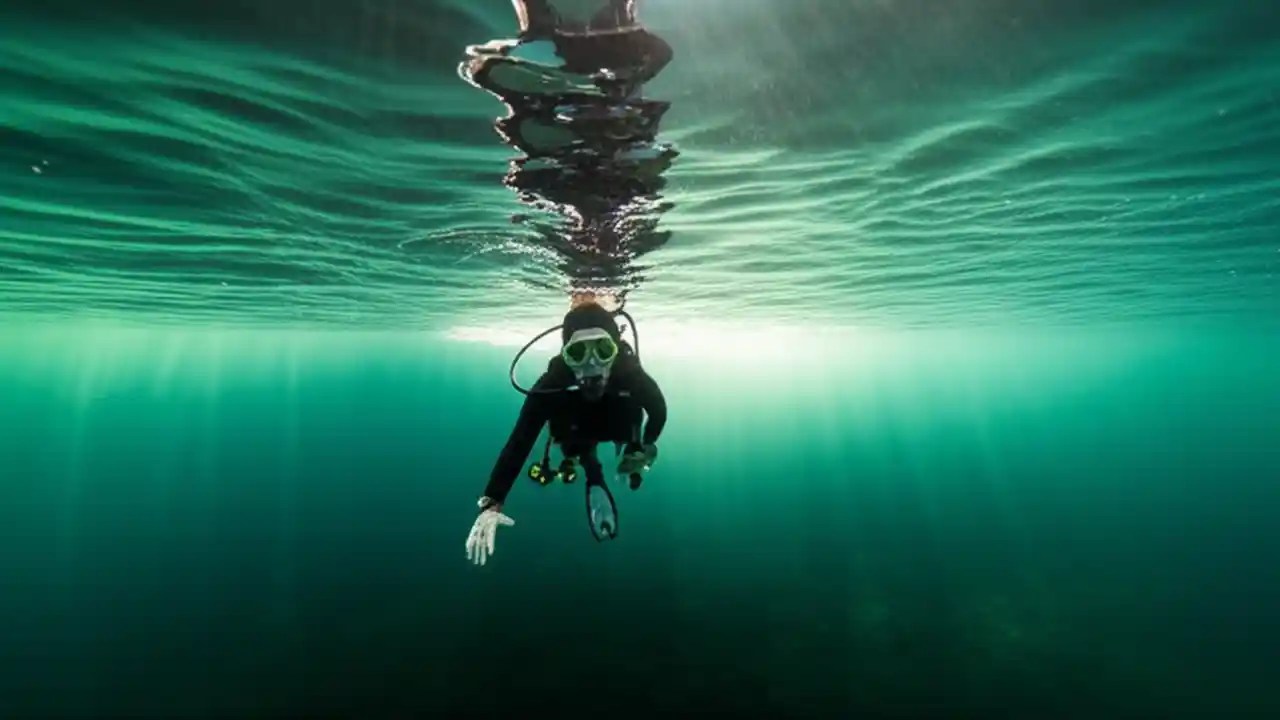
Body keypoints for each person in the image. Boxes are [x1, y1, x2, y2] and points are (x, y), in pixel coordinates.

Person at [465, 299, 667, 565]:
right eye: (578, 352)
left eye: (603, 350)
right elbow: (520, 441)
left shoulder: (630, 373)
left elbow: (657, 410)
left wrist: (645, 445)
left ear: (615, 350)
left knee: (625, 419)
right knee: (573, 437)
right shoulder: (554, 381)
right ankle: (592, 469)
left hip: (615, 422)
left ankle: (619, 455)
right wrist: (493, 501)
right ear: (566, 354)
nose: (591, 363)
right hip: (577, 428)